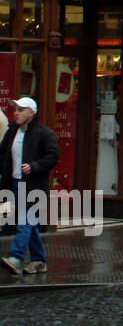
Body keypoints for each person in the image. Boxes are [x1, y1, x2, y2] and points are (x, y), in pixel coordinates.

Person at [1, 97, 60, 275]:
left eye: (21, 110)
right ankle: (39, 260)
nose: (16, 113)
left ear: (31, 113)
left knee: (25, 220)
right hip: (15, 183)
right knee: (30, 223)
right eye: (16, 109)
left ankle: (16, 256)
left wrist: (34, 166)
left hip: (34, 186)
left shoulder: (44, 133)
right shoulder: (12, 132)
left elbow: (53, 155)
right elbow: (2, 155)